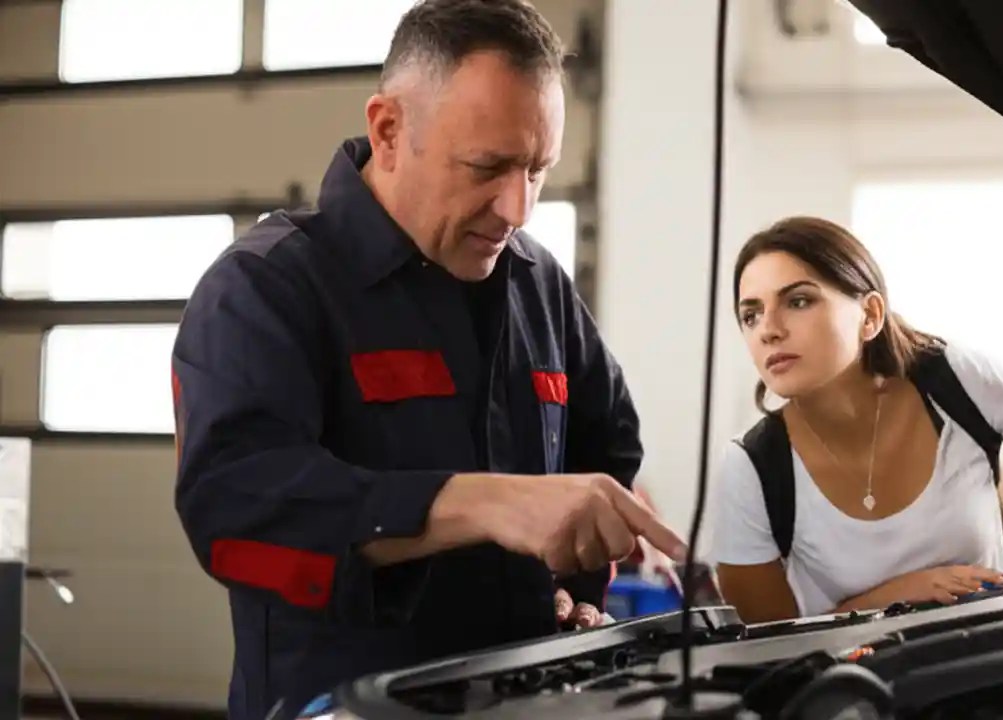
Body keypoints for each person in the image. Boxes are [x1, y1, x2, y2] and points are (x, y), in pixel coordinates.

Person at [170, 2, 685, 718]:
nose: (518, 207)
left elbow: (607, 439)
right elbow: (234, 510)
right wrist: (480, 502)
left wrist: (574, 582)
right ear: (388, 130)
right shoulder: (267, 287)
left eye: (537, 170)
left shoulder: (537, 282)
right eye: (488, 167)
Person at [708, 216, 1003, 624]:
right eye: (751, 314)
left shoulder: (960, 380)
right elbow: (766, 654)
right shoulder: (750, 468)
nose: (769, 329)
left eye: (798, 301)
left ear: (870, 316)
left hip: (1001, 670)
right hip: (854, 694)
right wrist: (893, 597)